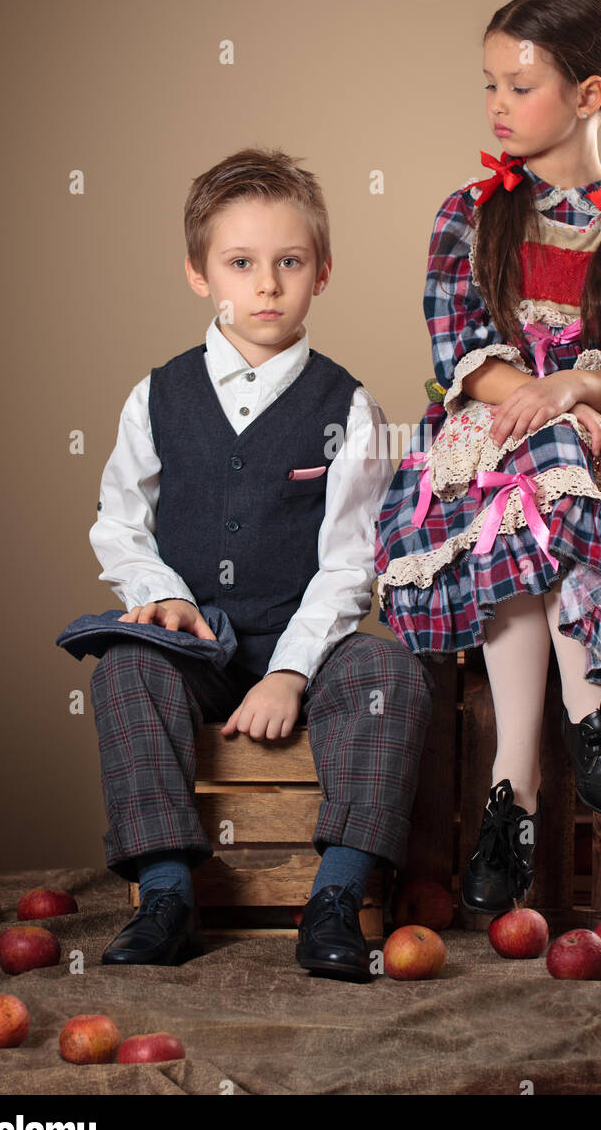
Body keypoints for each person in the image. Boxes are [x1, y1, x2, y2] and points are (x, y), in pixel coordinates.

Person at [57, 146, 434, 982]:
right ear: (199, 273)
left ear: (322, 272)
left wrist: (292, 674)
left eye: (289, 263)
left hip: (306, 649)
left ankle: (335, 896)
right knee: (123, 670)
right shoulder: (156, 396)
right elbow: (118, 524)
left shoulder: (349, 407)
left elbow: (347, 566)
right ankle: (166, 895)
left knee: (393, 673)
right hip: (197, 648)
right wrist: (159, 596)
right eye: (241, 264)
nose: (267, 286)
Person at [375, 0, 601, 917]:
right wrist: (545, 402)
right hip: (485, 448)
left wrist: (576, 391)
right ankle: (589, 715)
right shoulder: (468, 214)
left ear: (589, 94)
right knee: (522, 508)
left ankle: (508, 796)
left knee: (556, 499)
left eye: (518, 85)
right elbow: (458, 354)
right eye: (489, 84)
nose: (496, 105)